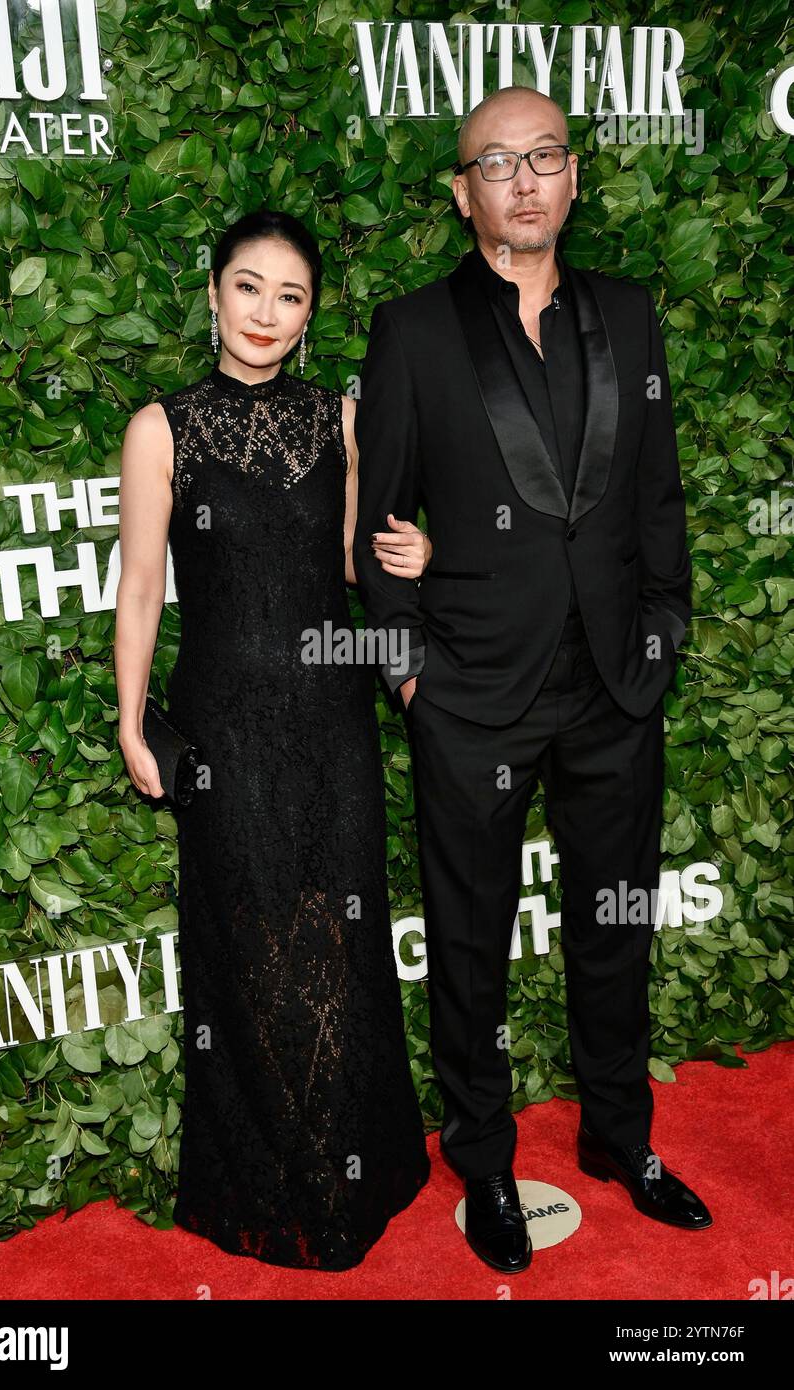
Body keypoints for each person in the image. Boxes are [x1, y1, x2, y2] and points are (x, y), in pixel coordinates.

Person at [353, 86, 712, 1274]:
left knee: (616, 927)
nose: (522, 181)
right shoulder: (413, 331)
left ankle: (619, 1136)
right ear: (462, 193)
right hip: (470, 693)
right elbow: (376, 523)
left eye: (543, 156)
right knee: (469, 942)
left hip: (615, 685)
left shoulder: (628, 314)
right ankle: (486, 1159)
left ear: (572, 176)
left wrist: (661, 632)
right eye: (495, 163)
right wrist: (408, 671)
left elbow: (655, 495)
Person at [114, 210, 433, 1271]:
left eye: (289, 295)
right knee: (247, 949)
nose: (265, 312)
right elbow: (142, 589)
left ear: (308, 315)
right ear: (213, 294)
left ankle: (349, 1170)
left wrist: (415, 551)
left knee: (339, 943)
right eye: (248, 287)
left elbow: (350, 559)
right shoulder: (160, 428)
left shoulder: (341, 420)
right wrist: (130, 717)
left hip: (331, 718)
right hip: (225, 726)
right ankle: (270, 1180)